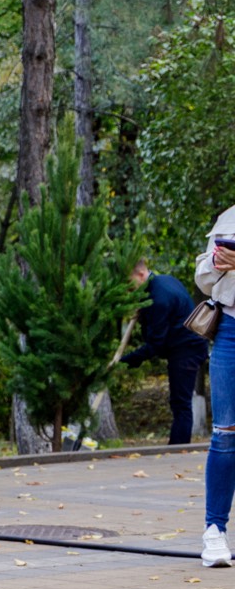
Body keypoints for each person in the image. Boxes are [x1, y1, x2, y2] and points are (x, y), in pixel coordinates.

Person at [123, 258, 210, 446]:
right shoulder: (164, 281)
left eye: (129, 283)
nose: (128, 289)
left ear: (140, 274)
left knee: (181, 403)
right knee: (179, 402)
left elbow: (155, 345)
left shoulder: (158, 298)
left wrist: (125, 361)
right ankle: (177, 447)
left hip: (187, 349)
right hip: (185, 345)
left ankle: (177, 450)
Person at [194, 209, 235, 569]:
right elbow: (203, 279)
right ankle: (214, 531)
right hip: (230, 332)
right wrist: (218, 263)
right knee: (225, 433)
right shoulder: (230, 218)